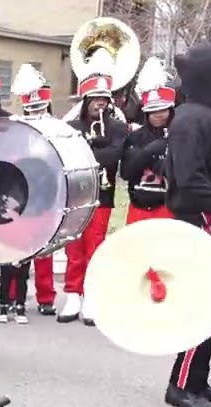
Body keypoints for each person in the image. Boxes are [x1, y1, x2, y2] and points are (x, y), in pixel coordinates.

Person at [162, 42, 211, 407]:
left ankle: (197, 379)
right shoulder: (191, 118)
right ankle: (180, 384)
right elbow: (189, 180)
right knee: (205, 303)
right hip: (200, 219)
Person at [61, 48, 129, 326]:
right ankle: (72, 294)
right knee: (73, 247)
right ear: (86, 100)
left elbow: (114, 157)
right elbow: (66, 156)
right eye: (95, 99)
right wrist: (93, 145)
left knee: (95, 246)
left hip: (103, 194)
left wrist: (92, 146)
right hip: (75, 194)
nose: (100, 104)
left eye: (104, 99)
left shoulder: (117, 127)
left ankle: (90, 294)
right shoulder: (72, 125)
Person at [7, 63, 59, 318]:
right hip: (22, 191)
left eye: (39, 106)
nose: (35, 110)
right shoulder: (17, 128)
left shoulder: (57, 128)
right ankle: (14, 297)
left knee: (44, 248)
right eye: (31, 106)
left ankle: (46, 296)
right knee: (18, 246)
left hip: (46, 192)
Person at [121, 56, 175, 225]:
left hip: (169, 209)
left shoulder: (179, 136)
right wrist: (149, 152)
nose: (158, 115)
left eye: (163, 110)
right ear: (146, 113)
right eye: (153, 111)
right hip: (139, 209)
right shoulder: (135, 137)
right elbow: (126, 173)